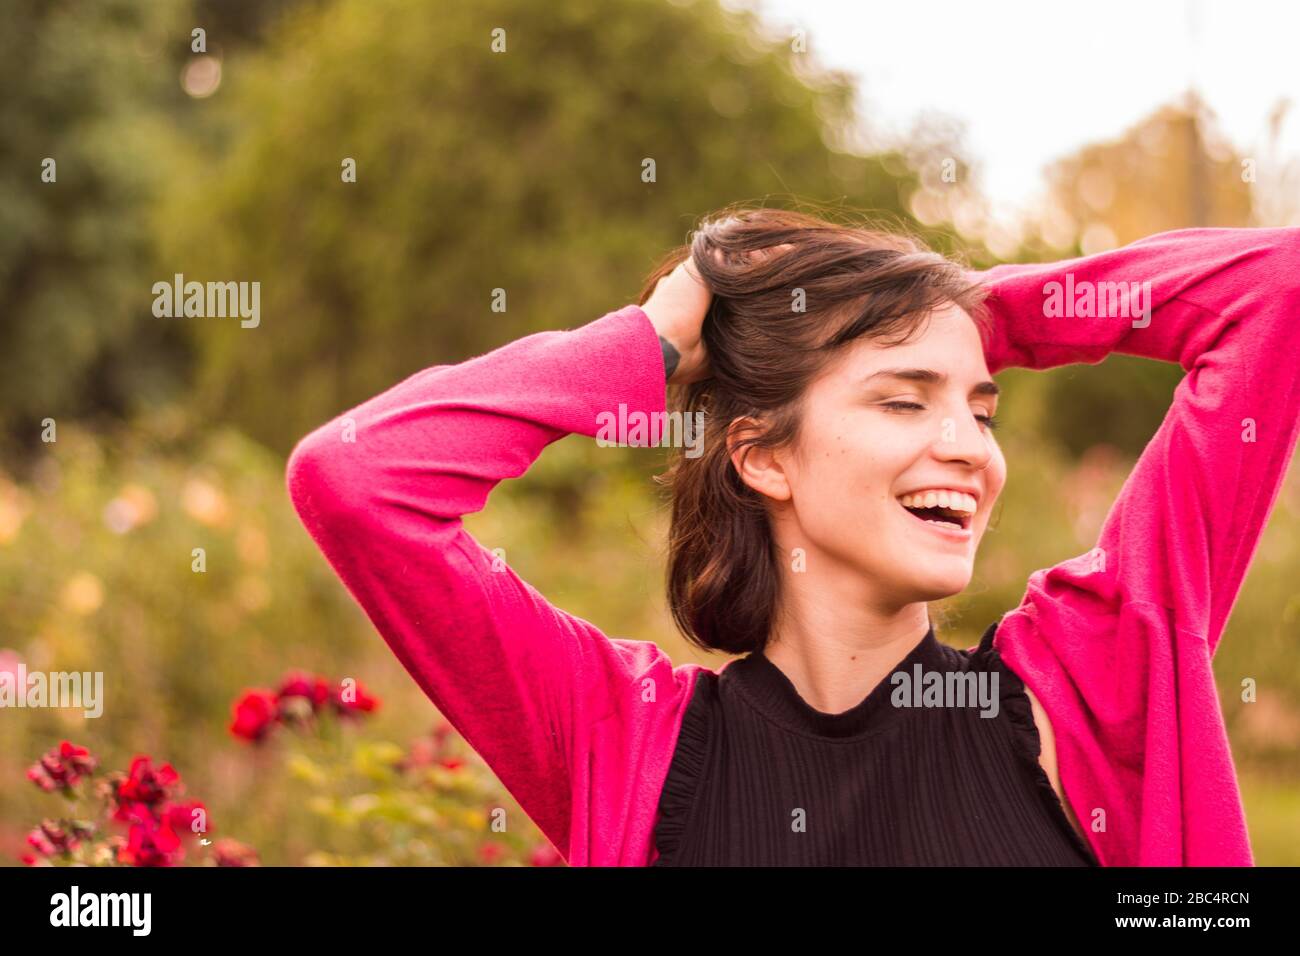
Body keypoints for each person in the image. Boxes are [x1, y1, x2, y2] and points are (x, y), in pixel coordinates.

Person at [286, 208, 1300, 865]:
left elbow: (1277, 290)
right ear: (761, 457)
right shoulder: (623, 739)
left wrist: (973, 307)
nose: (971, 451)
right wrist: (645, 341)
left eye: (980, 411)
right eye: (903, 402)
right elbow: (356, 479)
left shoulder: (1083, 686)